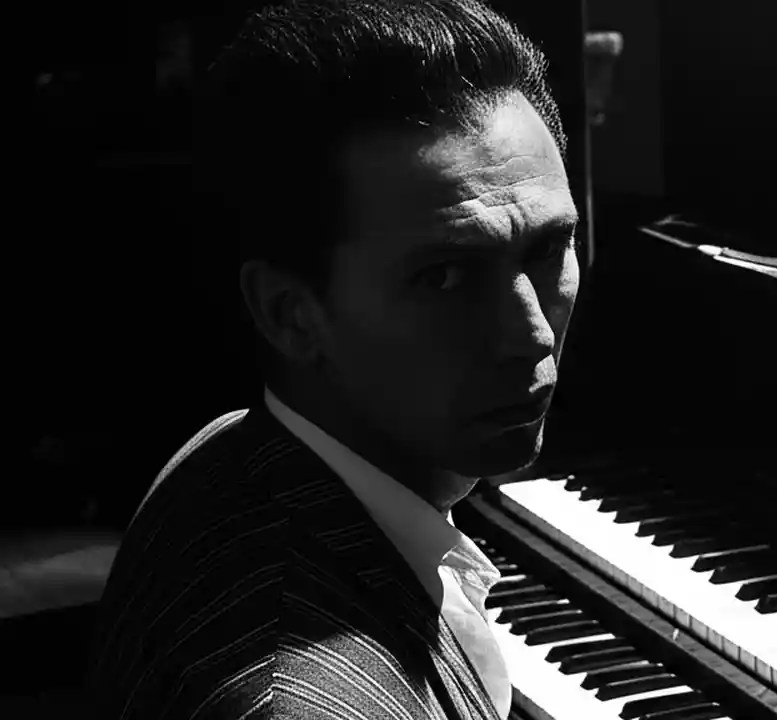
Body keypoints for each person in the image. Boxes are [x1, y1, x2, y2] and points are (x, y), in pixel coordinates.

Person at [87, 1, 580, 717]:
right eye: (444, 276)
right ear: (291, 314)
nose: (530, 334)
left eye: (548, 250)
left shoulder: (226, 449)